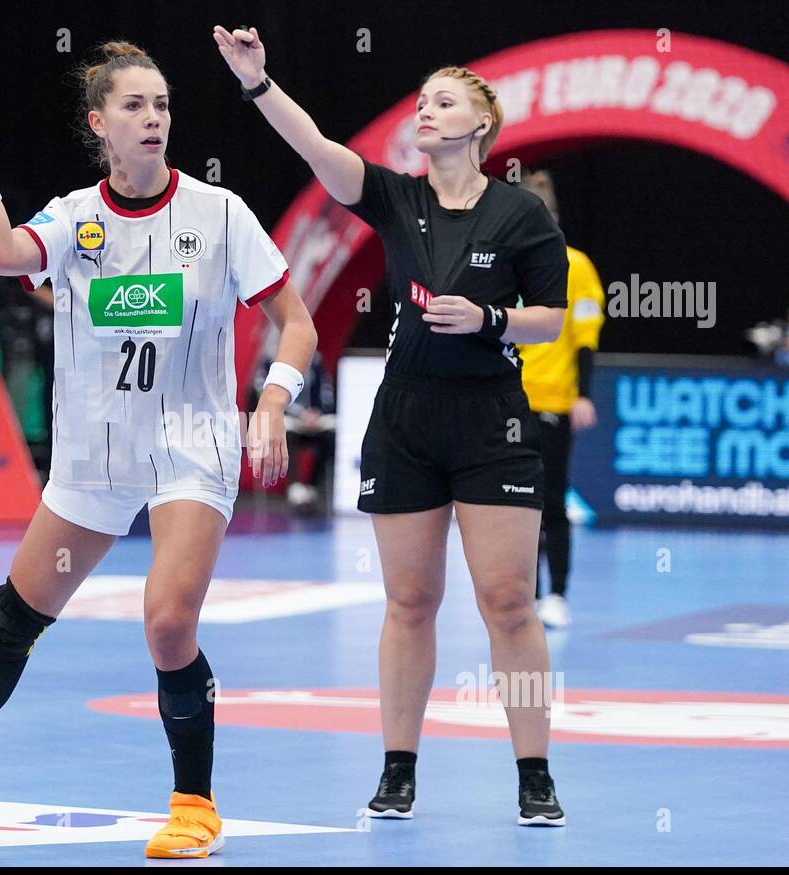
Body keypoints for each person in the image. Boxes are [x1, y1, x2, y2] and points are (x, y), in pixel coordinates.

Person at [0, 40, 318, 859]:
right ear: (100, 124)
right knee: (13, 617)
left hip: (190, 446)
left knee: (168, 623)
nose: (154, 117)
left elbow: (295, 323)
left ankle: (194, 806)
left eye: (161, 104)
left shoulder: (219, 214)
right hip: (95, 451)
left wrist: (272, 403)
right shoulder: (74, 217)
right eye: (134, 105)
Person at [215, 26, 568, 825]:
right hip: (405, 420)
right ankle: (399, 768)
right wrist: (257, 81)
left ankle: (535, 772)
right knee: (409, 601)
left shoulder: (521, 216)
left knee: (509, 601)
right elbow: (312, 145)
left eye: (443, 101)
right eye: (420, 102)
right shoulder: (393, 195)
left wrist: (489, 316)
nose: (426, 110)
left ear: (480, 124)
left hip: (492, 426)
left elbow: (550, 320)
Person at [516, 170, 606, 630]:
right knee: (515, 503)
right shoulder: (507, 262)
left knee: (552, 501)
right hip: (508, 400)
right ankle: (523, 595)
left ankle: (557, 595)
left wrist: (583, 395)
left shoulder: (578, 267)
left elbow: (584, 338)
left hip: (554, 399)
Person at [248, 350, 335, 514]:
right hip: (287, 419)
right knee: (286, 435)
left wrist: (318, 412)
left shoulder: (315, 360)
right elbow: (264, 395)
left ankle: (310, 488)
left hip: (313, 420)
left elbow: (326, 390)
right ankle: (295, 487)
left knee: (330, 436)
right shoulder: (269, 361)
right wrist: (301, 414)